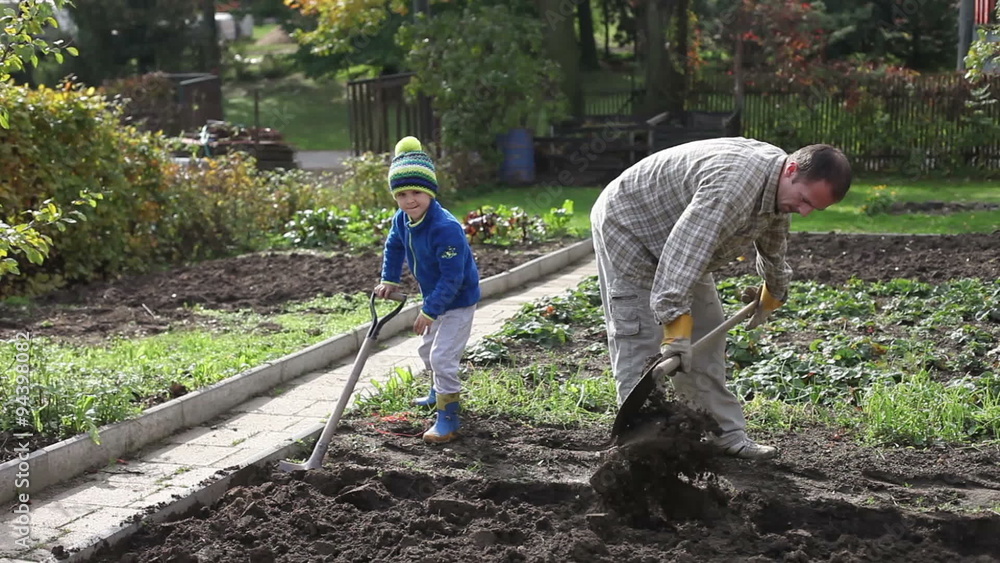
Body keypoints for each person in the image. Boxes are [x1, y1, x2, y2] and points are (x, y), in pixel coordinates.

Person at [590, 137, 852, 460]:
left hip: (681, 241)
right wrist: (674, 327)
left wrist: (775, 289)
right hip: (631, 228)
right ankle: (639, 446)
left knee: (708, 329)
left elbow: (773, 237)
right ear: (792, 170)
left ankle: (721, 434)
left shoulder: (778, 186)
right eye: (804, 200)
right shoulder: (734, 186)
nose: (805, 211)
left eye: (814, 207)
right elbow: (683, 254)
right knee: (641, 339)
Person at [374, 136, 480, 444]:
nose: (410, 200)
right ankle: (438, 393)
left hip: (457, 301)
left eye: (417, 192)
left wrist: (430, 310)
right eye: (402, 194)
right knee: (426, 350)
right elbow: (393, 246)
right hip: (434, 296)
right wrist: (390, 279)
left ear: (430, 191)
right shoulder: (402, 219)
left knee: (442, 357)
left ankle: (449, 417)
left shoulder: (445, 228)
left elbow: (454, 278)